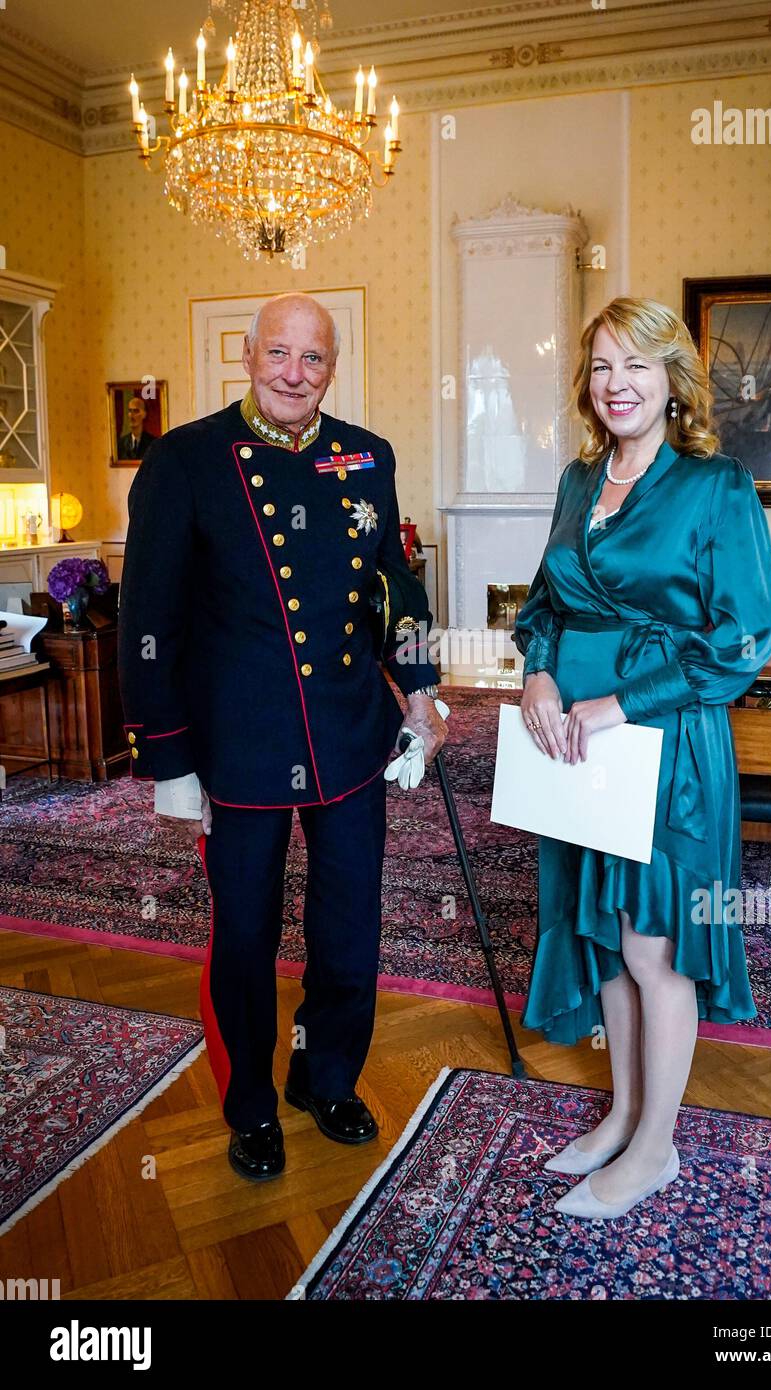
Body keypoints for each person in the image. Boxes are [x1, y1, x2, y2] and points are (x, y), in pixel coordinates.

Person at [118, 292, 446, 1180]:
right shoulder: (186, 460)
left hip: (350, 735)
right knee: (245, 935)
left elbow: (396, 590)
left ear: (331, 367)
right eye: (279, 354)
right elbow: (149, 619)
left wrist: (420, 696)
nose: (294, 373)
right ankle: (250, 1104)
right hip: (240, 747)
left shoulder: (366, 455)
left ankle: (327, 1077)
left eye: (314, 358)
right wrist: (169, 759)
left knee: (348, 927)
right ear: (249, 357)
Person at [514, 296, 771, 1221]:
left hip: (667, 748)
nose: (615, 383)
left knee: (651, 948)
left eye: (636, 364)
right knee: (609, 944)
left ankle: (657, 1150)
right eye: (600, 366)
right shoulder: (577, 483)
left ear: (673, 380)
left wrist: (621, 701)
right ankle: (625, 1115)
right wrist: (540, 677)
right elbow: (545, 604)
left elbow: (744, 637)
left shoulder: (717, 487)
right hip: (577, 751)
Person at [118, 396, 156, 460]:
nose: (132, 415)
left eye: (136, 411)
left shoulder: (152, 443)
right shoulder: (121, 443)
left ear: (144, 414)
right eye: (130, 411)